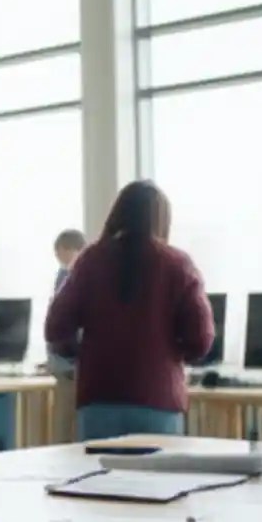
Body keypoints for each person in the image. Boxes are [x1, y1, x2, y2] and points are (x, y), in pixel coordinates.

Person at [45, 180, 213, 439]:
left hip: (98, 399)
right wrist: (172, 355)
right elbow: (200, 339)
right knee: (155, 480)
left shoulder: (90, 260)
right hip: (158, 400)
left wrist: (82, 355)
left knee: (97, 479)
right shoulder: (178, 264)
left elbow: (56, 328)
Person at [46, 229, 86, 442]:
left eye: (60, 252)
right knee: (62, 428)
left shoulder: (82, 277)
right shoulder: (63, 276)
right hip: (64, 365)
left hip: (77, 365)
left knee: (73, 429)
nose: (58, 257)